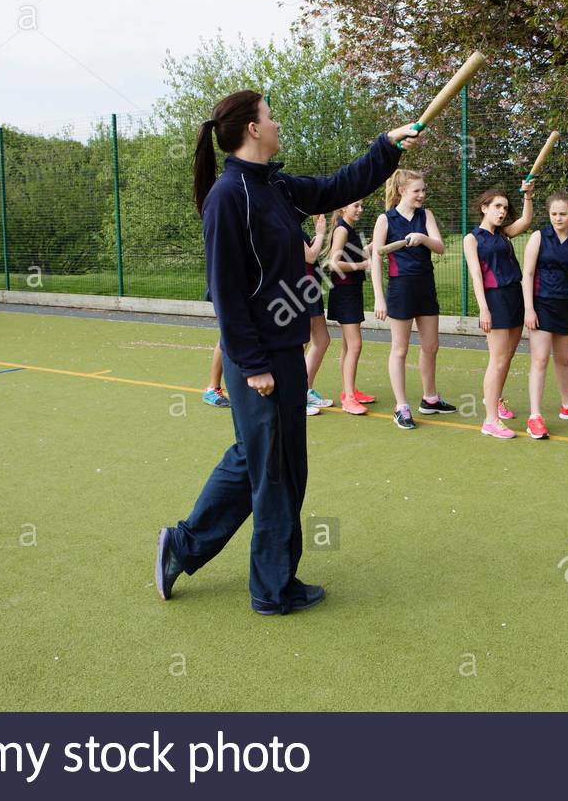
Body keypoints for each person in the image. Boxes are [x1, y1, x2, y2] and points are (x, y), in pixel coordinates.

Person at [155, 89, 423, 614]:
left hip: (284, 347)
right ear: (252, 129)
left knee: (268, 462)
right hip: (258, 358)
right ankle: (271, 589)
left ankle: (185, 545)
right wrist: (253, 365)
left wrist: (386, 148)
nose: (276, 123)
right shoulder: (229, 196)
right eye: (270, 116)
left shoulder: (273, 184)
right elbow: (226, 291)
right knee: (273, 468)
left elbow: (335, 187)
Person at [370, 169, 456, 429]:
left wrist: (423, 238)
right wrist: (379, 298)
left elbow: (439, 248)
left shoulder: (425, 215)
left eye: (423, 190)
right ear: (402, 191)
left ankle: (430, 398)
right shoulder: (385, 220)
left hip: (425, 285)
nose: (422, 194)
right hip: (400, 288)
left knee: (431, 346)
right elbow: (376, 259)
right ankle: (401, 406)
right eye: (417, 190)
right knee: (400, 348)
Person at [521, 191, 568, 438]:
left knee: (564, 360)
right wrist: (529, 309)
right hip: (541, 306)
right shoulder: (538, 237)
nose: (557, 218)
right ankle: (535, 416)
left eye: (563, 214)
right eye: (554, 214)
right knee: (540, 360)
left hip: (565, 306)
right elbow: (528, 275)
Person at [463, 182, 534, 438]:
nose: (502, 212)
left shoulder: (504, 233)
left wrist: (527, 194)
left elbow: (526, 219)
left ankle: (496, 401)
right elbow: (476, 276)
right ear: (484, 208)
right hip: (494, 300)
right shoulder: (472, 239)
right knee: (498, 359)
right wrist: (484, 308)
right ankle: (490, 420)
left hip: (514, 295)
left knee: (508, 356)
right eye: (497, 207)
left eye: (504, 207)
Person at [327, 201, 378, 414]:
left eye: (361, 206)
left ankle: (349, 391)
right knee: (355, 345)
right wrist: (362, 266)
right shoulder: (341, 229)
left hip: (351, 291)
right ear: (342, 208)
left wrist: (378, 241)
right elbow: (333, 263)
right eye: (355, 206)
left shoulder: (348, 229)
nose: (360, 209)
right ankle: (348, 398)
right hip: (344, 292)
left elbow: (358, 253)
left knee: (348, 346)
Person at [301, 214, 332, 415]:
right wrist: (320, 234)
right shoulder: (287, 228)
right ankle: (295, 398)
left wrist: (317, 232)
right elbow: (310, 256)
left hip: (312, 288)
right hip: (300, 290)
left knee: (322, 340)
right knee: (300, 343)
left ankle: (306, 389)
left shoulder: (296, 230)